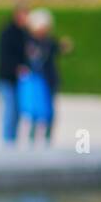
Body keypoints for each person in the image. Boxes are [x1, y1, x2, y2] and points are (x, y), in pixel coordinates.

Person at [18, 8, 69, 145]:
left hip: (48, 80)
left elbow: (59, 49)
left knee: (49, 111)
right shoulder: (28, 41)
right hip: (34, 81)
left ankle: (47, 137)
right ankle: (32, 137)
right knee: (33, 109)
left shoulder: (49, 41)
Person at [0, 3, 30, 144]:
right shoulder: (7, 32)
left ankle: (12, 139)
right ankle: (7, 141)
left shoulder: (24, 32)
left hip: (19, 79)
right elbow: (4, 56)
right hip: (6, 78)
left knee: (17, 111)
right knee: (9, 111)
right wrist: (17, 67)